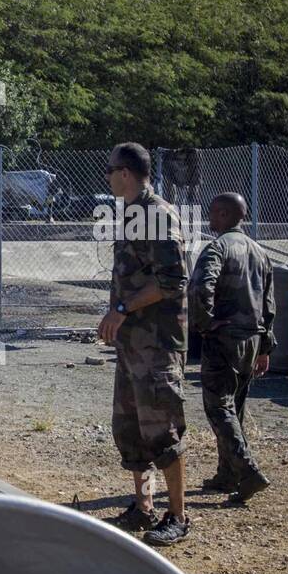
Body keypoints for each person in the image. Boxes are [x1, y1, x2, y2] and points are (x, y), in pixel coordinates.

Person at [98, 141, 191, 546]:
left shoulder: (156, 213)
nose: (106, 176)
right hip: (133, 343)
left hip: (156, 344)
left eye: (110, 169)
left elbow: (173, 280)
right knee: (132, 428)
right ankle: (143, 506)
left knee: (162, 428)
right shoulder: (133, 214)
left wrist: (121, 308)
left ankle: (179, 516)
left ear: (125, 173)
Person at [190, 192, 275, 504]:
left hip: (224, 339)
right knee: (235, 409)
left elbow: (200, 286)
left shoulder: (218, 248)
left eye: (213, 213)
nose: (210, 219)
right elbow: (269, 304)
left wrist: (205, 322)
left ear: (225, 215)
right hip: (251, 340)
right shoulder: (260, 253)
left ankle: (248, 471)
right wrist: (265, 347)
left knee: (219, 408)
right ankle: (226, 474)